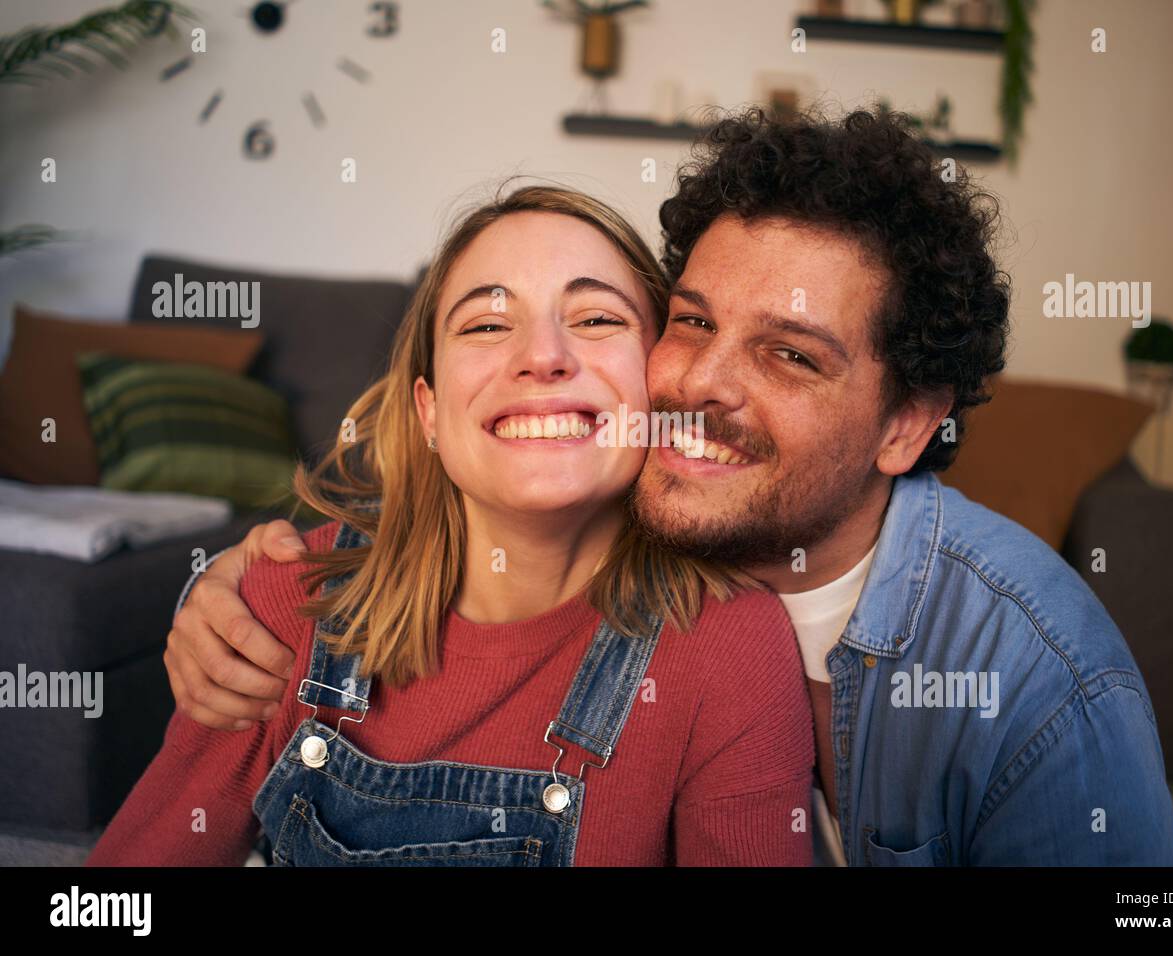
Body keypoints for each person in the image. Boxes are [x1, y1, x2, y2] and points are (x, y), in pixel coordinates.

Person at [154, 108, 1173, 865]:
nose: (697, 384)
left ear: (907, 422)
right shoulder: (317, 594)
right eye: (690, 321)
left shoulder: (1039, 680)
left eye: (790, 356)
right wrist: (235, 584)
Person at [87, 185, 814, 867]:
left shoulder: (730, 649)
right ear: (430, 412)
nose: (543, 358)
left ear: (658, 382)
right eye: (488, 324)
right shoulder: (285, 603)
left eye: (596, 319)